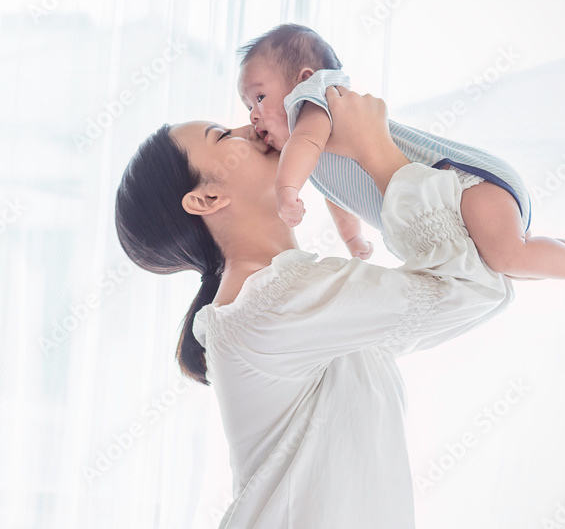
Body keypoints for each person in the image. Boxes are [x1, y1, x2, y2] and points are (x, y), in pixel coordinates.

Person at [115, 86, 513, 528]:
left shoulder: (281, 299)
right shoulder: (275, 302)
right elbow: (476, 289)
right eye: (224, 136)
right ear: (207, 199)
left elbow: (472, 287)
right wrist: (375, 153)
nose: (252, 128)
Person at [237, 24, 565, 320]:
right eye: (246, 105)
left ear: (304, 78)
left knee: (509, 255)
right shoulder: (316, 148)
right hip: (455, 200)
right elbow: (337, 194)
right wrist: (352, 237)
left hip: (462, 183)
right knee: (504, 260)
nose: (252, 114)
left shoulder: (317, 100)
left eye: (258, 96)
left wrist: (286, 188)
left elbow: (304, 144)